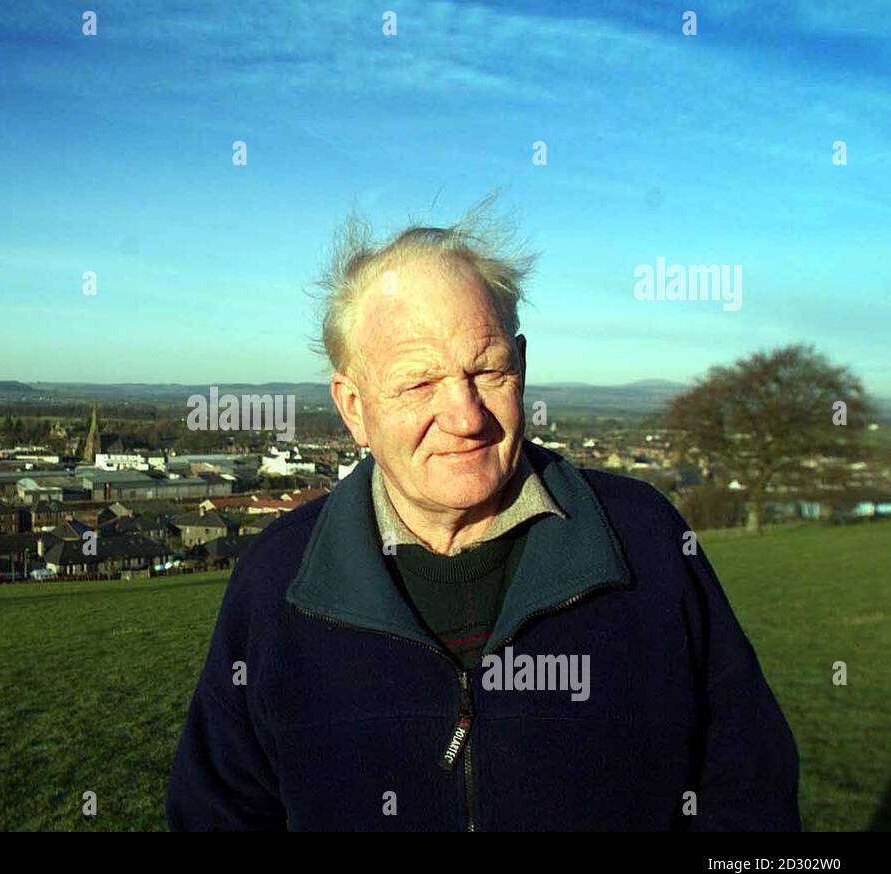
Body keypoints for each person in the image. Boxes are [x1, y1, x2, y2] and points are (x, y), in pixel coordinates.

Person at [166, 200, 800, 831]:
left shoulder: (646, 542)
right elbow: (218, 813)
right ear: (353, 407)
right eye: (419, 383)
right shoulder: (278, 578)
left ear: (521, 366)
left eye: (488, 370)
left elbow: (749, 795)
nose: (467, 417)